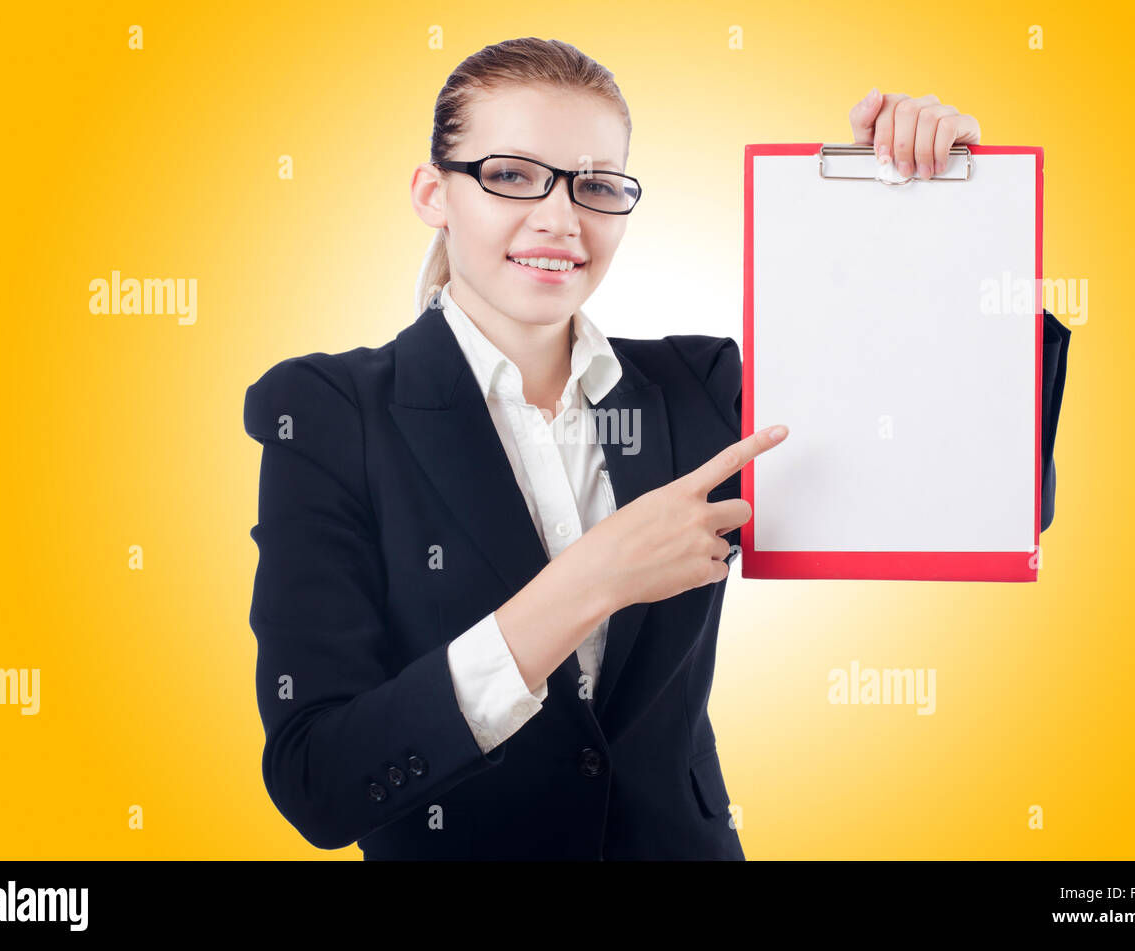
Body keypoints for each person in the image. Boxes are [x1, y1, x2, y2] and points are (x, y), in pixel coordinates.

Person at [243, 36, 1071, 860]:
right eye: (510, 175)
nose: (561, 218)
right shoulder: (327, 410)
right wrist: (592, 578)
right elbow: (321, 779)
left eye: (596, 185)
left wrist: (936, 219)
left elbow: (979, 500)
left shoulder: (696, 387)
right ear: (434, 193)